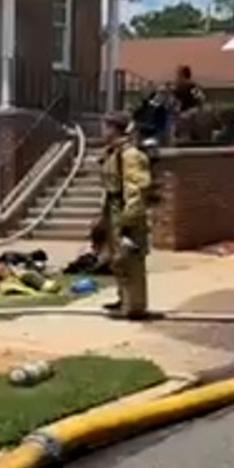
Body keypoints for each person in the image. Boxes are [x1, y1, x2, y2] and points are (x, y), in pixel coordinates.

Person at [98, 112, 155, 320]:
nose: (102, 132)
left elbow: (137, 189)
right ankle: (124, 299)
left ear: (114, 129)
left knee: (130, 258)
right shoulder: (112, 153)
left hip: (126, 212)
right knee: (117, 259)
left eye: (105, 127)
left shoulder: (130, 155)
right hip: (113, 210)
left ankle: (135, 306)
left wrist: (128, 220)